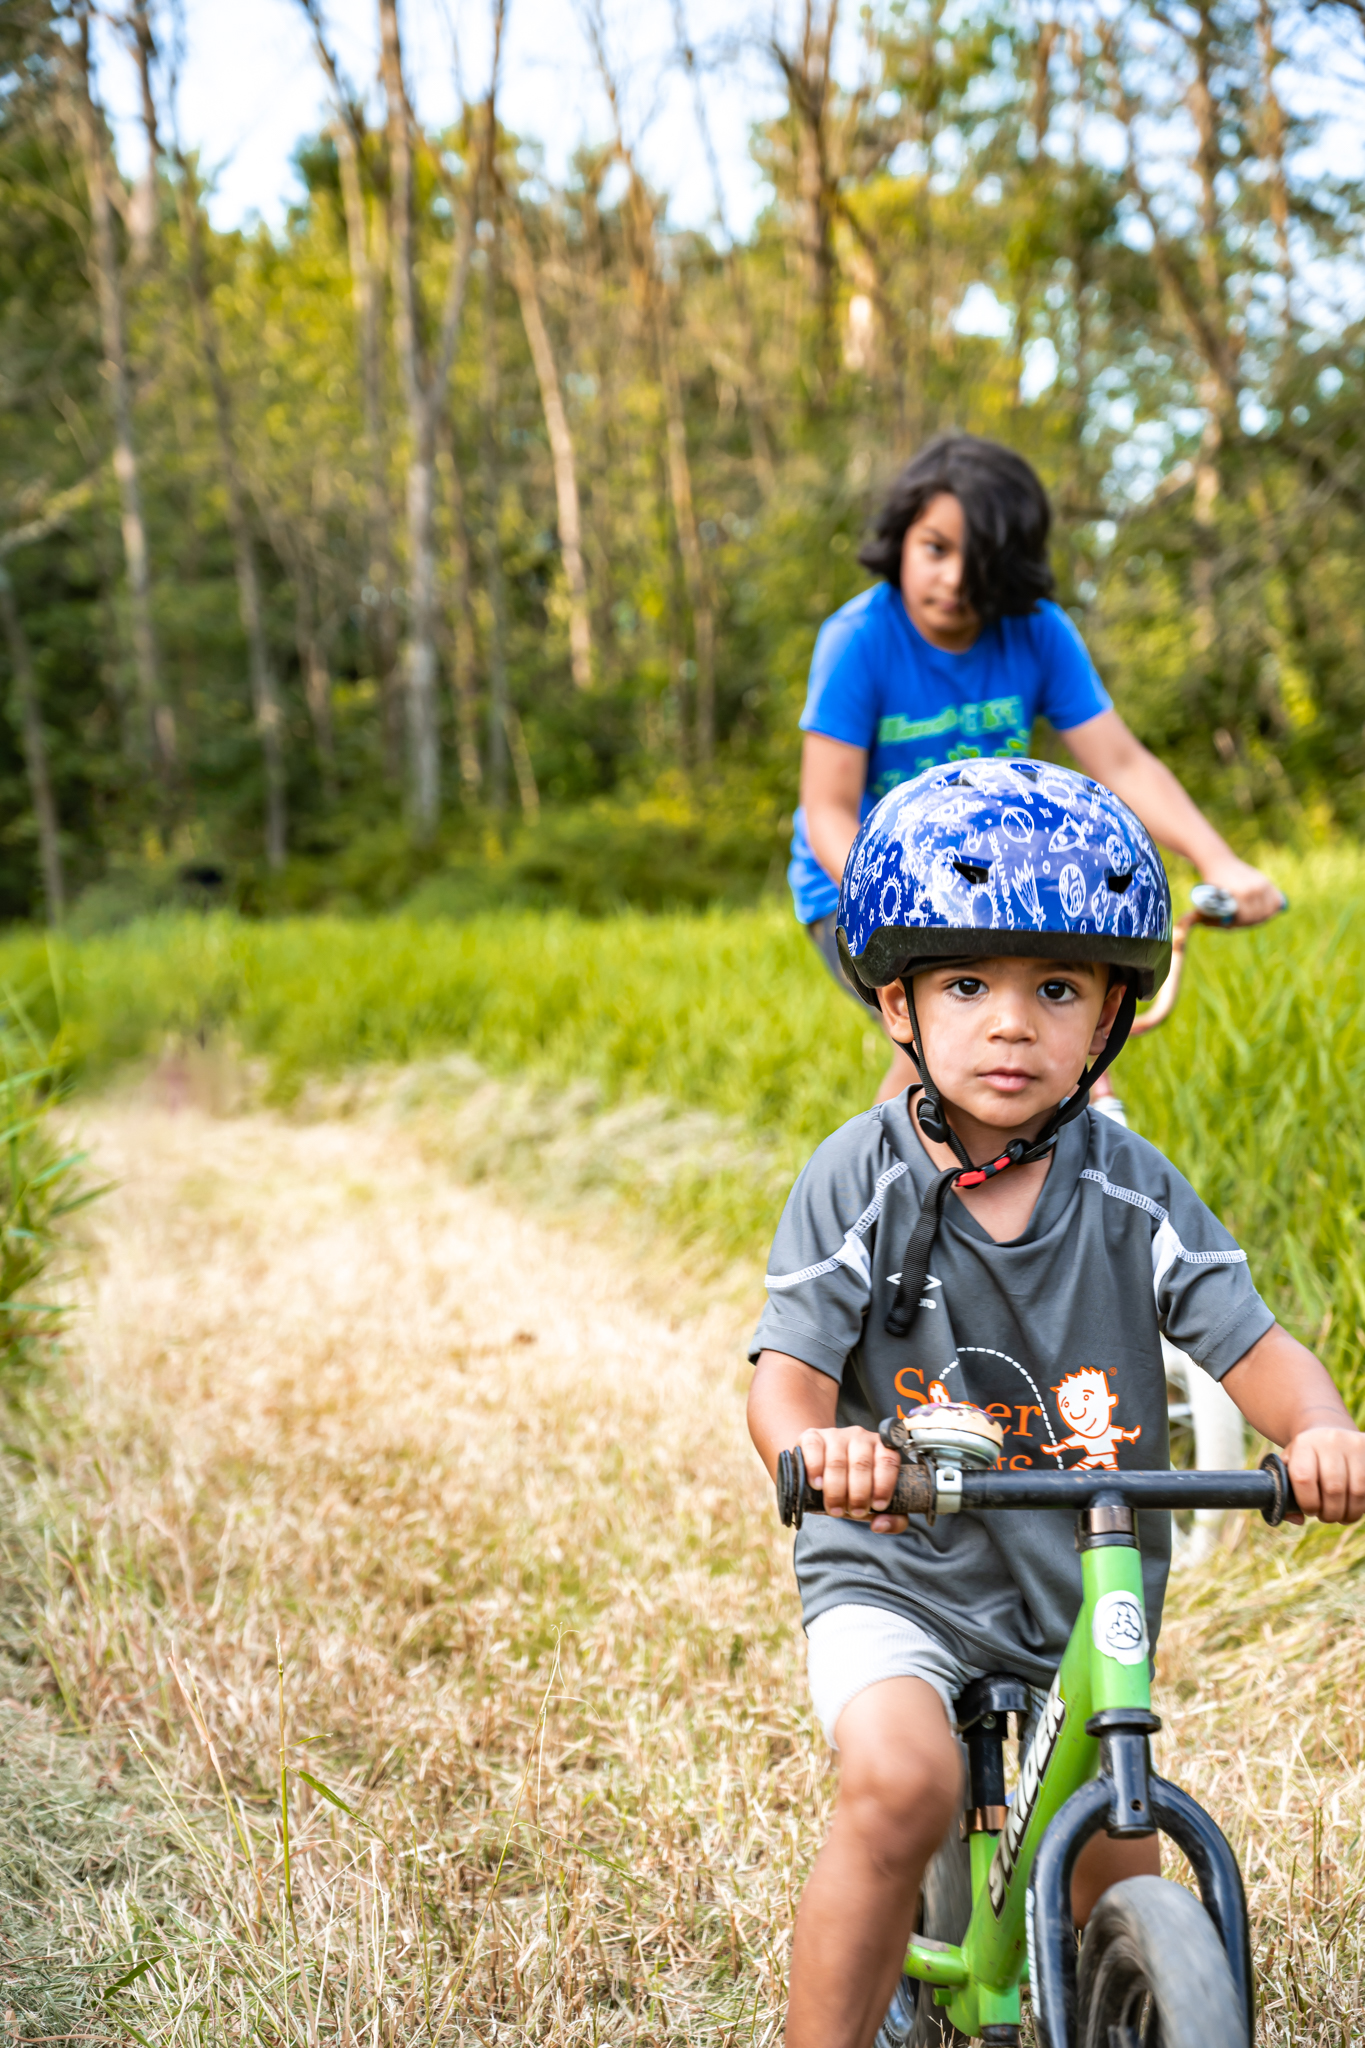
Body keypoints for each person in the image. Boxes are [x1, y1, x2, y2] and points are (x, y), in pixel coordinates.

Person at [749, 758, 1364, 2048]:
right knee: (901, 1782)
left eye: (1058, 987)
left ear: (1113, 1015)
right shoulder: (856, 1179)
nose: (1013, 1023)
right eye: (968, 982)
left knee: (1117, 1863)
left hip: (1084, 1580)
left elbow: (1256, 1346)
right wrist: (827, 1451)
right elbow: (789, 1380)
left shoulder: (1132, 1189)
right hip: (898, 1567)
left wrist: (1314, 1432)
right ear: (896, 1004)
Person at [789, 434, 1284, 1101]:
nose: (954, 579)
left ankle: (1068, 1195)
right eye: (935, 548)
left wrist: (1216, 859)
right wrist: (893, 894)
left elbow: (1121, 762)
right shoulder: (859, 639)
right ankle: (878, 1198)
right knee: (943, 1050)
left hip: (996, 881)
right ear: (902, 539)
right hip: (858, 883)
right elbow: (826, 809)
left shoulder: (1037, 633)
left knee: (1066, 1053)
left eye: (981, 560)